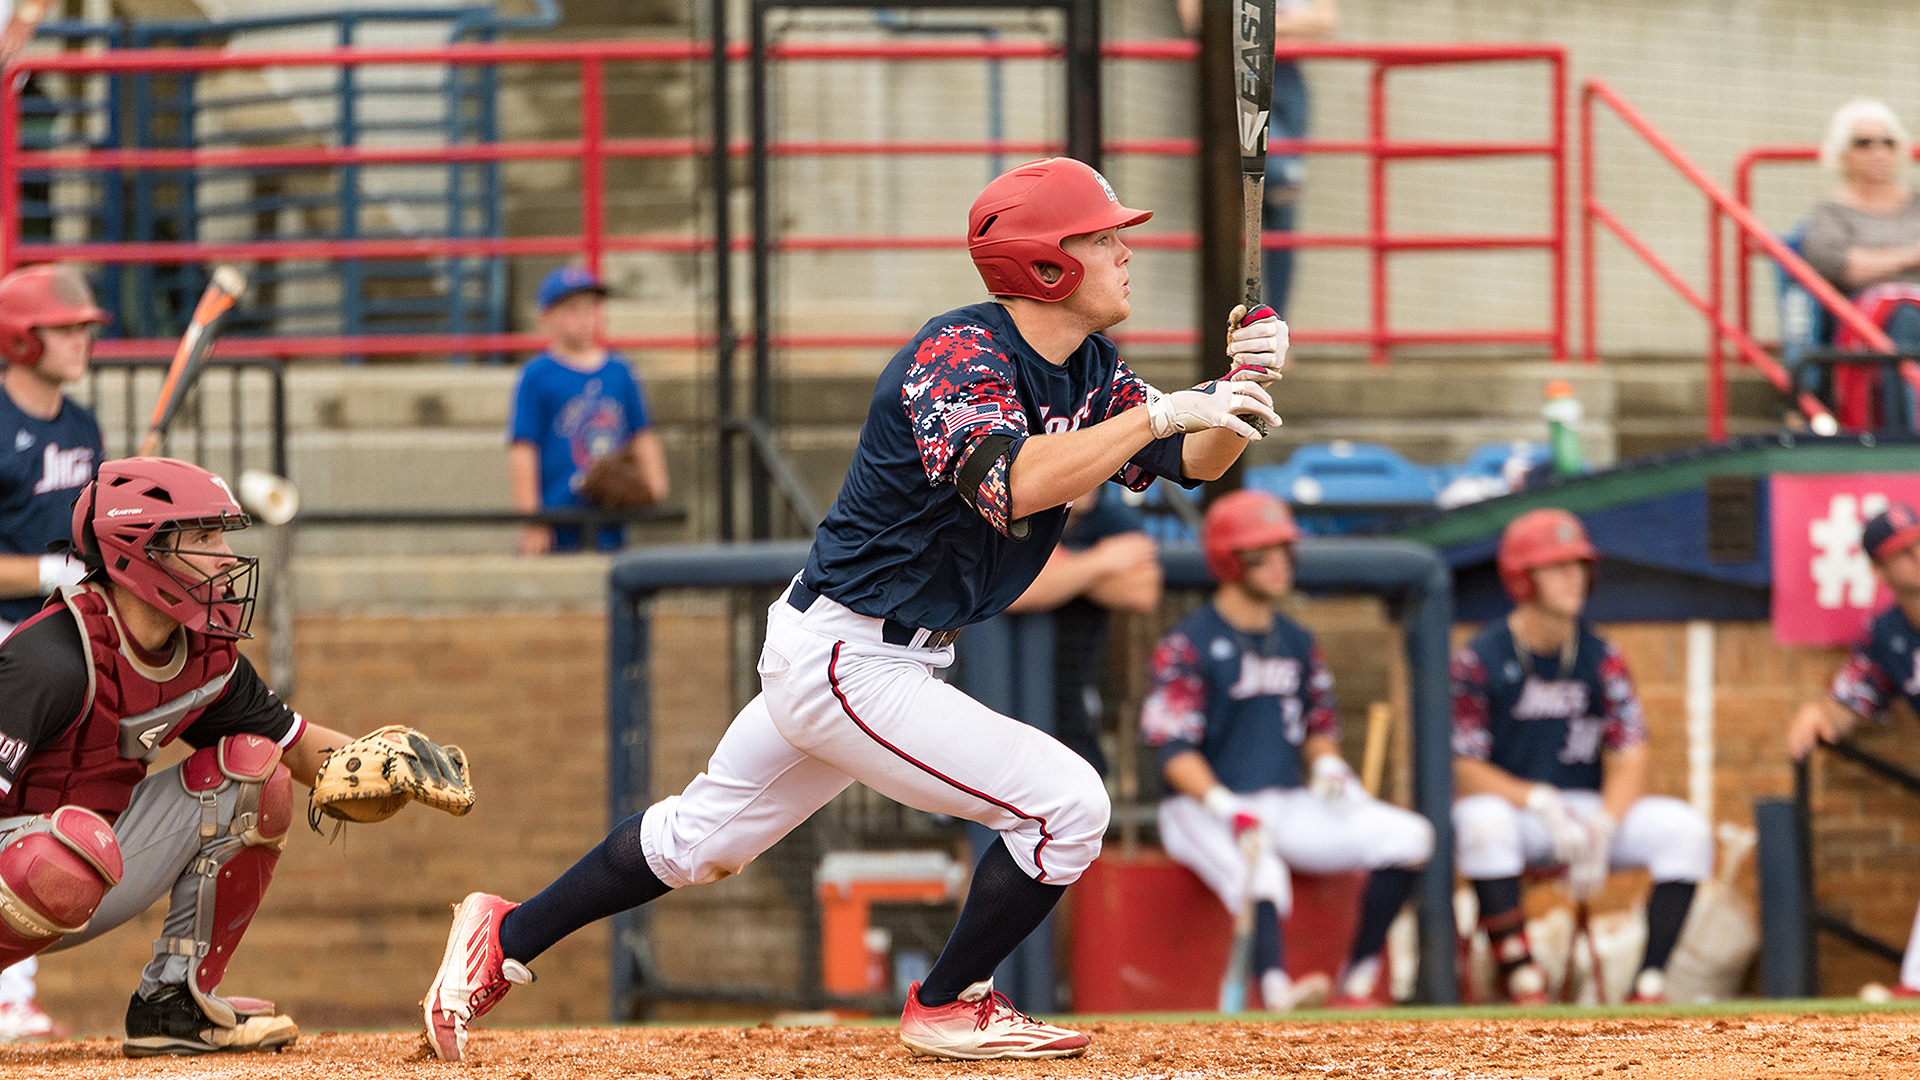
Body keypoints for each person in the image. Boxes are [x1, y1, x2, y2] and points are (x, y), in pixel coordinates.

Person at [422, 156, 1285, 1062]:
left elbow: (1201, 461)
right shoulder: (958, 354)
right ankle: (953, 1002)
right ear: (1045, 264)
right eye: (1103, 236)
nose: (1124, 250)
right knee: (1067, 807)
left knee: (695, 842)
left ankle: (503, 936)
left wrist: (1244, 384)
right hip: (851, 656)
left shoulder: (1092, 371)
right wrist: (1164, 417)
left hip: (877, 654)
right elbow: (1015, 485)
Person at [0, 456, 469, 1056]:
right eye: (203, 536)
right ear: (142, 553)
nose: (225, 555)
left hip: (86, 869)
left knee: (255, 770)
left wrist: (386, 761)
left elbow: (296, 749)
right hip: (25, 871)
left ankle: (174, 1005)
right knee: (61, 850)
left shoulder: (203, 656)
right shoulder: (48, 661)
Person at [1142, 490, 1431, 1012]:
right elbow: (1173, 749)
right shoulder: (1188, 643)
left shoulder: (1296, 640)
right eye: (1264, 552)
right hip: (1200, 806)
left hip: (1285, 800)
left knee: (1409, 835)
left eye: (1285, 551)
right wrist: (1226, 808)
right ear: (1231, 559)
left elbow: (1318, 724)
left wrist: (1327, 765)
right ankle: (1277, 994)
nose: (1282, 564)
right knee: (1265, 872)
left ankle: (1356, 984)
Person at [1452, 508, 1711, 1006]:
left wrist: (1608, 824)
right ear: (1521, 578)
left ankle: (1648, 983)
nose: (1576, 579)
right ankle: (1522, 973)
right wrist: (1534, 799)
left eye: (1580, 566)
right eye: (1558, 567)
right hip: (1518, 811)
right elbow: (1462, 767)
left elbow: (1631, 752)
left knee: (1685, 830)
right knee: (1482, 821)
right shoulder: (1479, 658)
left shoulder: (1601, 655)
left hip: (1586, 813)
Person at [0, 263, 107, 1042]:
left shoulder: (83, 425)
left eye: (85, 328)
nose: (83, 341)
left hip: (56, 640)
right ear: (21, 337)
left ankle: (12, 994)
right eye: (68, 328)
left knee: (41, 803)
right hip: (2, 633)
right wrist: (46, 569)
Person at [1787, 501, 1920, 999]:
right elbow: (1851, 700)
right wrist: (1818, 714)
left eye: (1918, 542)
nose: (1917, 555)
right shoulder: (1888, 634)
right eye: (1902, 552)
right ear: (1880, 570)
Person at [1176, 0, 1338, 316]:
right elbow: (1198, 19)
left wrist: (1252, 27)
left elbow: (1326, 21)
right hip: (1235, 76)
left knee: (1282, 213)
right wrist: (1287, 25)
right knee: (1279, 178)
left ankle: (1273, 325)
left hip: (1288, 80)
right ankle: (1236, 323)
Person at [508, 266, 670, 555]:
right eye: (571, 309)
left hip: (610, 516)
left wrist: (656, 486)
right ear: (545, 317)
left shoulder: (619, 371)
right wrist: (532, 517)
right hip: (558, 516)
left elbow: (642, 433)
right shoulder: (537, 375)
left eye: (591, 308)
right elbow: (523, 447)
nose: (584, 318)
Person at [1003, 481, 1163, 774]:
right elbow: (1015, 592)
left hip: (1074, 684)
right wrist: (1102, 561)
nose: (1089, 479)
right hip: (1002, 681)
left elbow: (1142, 591)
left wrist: (1062, 572)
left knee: (1081, 773)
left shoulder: (1110, 518)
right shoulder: (1016, 508)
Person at [1801, 99, 1920, 430]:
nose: (1878, 151)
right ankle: (1905, 438)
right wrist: (1910, 256)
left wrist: (1880, 261)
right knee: (1905, 320)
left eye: (1887, 142)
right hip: (1866, 317)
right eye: (1864, 143)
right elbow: (1836, 265)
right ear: (1842, 153)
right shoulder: (1831, 211)